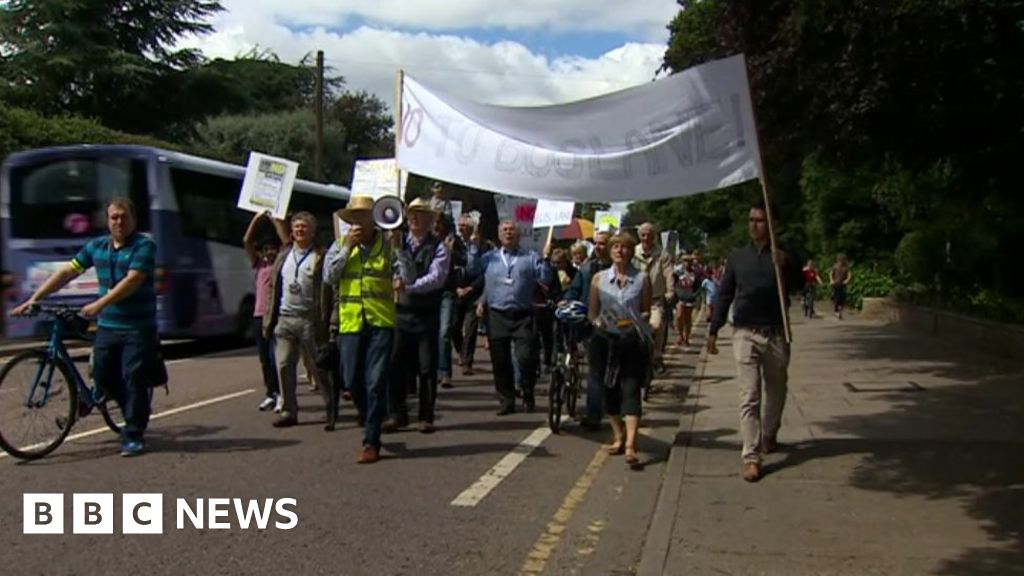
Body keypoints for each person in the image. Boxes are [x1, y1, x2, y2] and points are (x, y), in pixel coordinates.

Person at [13, 198, 159, 457]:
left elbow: (133, 280)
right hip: (109, 326)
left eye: (124, 217)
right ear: (107, 220)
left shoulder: (143, 246)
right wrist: (35, 298)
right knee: (102, 377)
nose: (119, 222)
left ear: (133, 219)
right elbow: (68, 272)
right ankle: (128, 408)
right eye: (114, 217)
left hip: (137, 327)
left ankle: (134, 434)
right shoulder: (97, 246)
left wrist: (99, 304)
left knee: (133, 377)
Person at [707, 202, 803, 482]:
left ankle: (770, 432)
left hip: (775, 331)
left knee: (777, 389)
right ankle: (751, 455)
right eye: (751, 220)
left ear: (771, 224)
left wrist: (787, 264)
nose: (754, 225)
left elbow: (801, 284)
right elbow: (724, 294)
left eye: (760, 220)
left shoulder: (784, 255)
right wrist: (714, 329)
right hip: (745, 332)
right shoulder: (738, 257)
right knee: (749, 395)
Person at [324, 195, 396, 464]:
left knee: (375, 383)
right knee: (352, 380)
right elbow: (329, 277)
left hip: (380, 323)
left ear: (373, 219)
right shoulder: (341, 245)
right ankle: (371, 416)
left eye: (363, 218)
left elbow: (408, 277)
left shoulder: (388, 246)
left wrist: (401, 252)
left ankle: (371, 440)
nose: (358, 223)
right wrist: (346, 250)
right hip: (351, 323)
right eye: (354, 219)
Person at [468, 220, 553, 414]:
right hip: (497, 314)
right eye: (504, 230)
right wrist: (473, 246)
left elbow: (545, 278)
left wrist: (546, 260)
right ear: (499, 235)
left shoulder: (530, 257)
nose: (508, 233)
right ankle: (506, 400)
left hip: (523, 314)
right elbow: (472, 269)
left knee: (525, 358)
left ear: (519, 235)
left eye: (511, 230)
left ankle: (527, 389)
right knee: (500, 360)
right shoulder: (490, 258)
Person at [385, 197, 450, 434]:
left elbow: (437, 278)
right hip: (400, 313)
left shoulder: (439, 247)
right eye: (410, 214)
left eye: (419, 214)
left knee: (426, 367)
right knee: (395, 365)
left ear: (429, 220)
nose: (413, 218)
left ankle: (426, 416)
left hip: (425, 314)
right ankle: (396, 414)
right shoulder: (396, 243)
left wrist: (409, 287)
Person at [262, 212, 332, 429]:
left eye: (304, 227)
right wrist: (269, 318)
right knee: (283, 365)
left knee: (318, 367)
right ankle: (289, 411)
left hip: (310, 320)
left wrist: (330, 320)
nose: (300, 230)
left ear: (312, 231)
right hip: (285, 318)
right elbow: (274, 286)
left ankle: (331, 406)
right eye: (296, 227)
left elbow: (330, 289)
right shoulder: (284, 255)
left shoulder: (321, 256)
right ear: (292, 231)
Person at [588, 232, 652, 467]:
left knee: (631, 388)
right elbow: (592, 312)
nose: (619, 251)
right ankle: (618, 435)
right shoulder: (598, 279)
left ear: (630, 251)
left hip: (631, 340)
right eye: (615, 247)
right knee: (609, 390)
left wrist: (642, 318)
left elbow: (646, 308)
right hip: (605, 341)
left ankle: (630, 445)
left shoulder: (642, 279)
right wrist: (597, 322)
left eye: (624, 247)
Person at [562, 230, 611, 430]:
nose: (598, 247)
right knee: (596, 370)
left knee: (613, 370)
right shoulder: (586, 269)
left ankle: (615, 408)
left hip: (616, 325)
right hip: (591, 324)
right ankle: (594, 415)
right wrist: (566, 300)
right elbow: (575, 289)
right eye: (596, 243)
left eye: (602, 243)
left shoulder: (619, 269)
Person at [243, 211, 290, 412]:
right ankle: (271, 393)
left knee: (275, 357)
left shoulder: (282, 263)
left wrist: (275, 219)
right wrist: (257, 218)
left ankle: (282, 395)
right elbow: (246, 240)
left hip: (276, 315)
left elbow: (287, 243)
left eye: (273, 249)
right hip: (258, 316)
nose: (270, 252)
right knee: (264, 358)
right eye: (267, 249)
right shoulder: (259, 265)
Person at [633, 223, 674, 373]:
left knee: (657, 326)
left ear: (654, 236)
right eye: (643, 235)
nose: (646, 238)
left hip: (655, 299)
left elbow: (668, 273)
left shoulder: (662, 254)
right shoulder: (633, 252)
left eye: (649, 235)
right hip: (635, 298)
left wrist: (670, 291)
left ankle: (657, 354)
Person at [451, 214, 488, 377]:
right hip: (456, 291)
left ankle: (467, 362)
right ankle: (461, 351)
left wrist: (471, 288)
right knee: (453, 327)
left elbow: (485, 272)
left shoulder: (483, 247)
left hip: (474, 293)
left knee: (471, 329)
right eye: (459, 225)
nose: (461, 228)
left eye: (464, 226)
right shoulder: (453, 243)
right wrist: (456, 287)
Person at [672, 256, 702, 348]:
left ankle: (686, 338)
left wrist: (695, 296)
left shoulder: (695, 274)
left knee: (687, 319)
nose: (686, 264)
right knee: (679, 317)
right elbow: (673, 283)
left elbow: (698, 287)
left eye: (688, 262)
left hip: (689, 299)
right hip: (680, 299)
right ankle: (680, 335)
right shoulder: (678, 273)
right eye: (685, 262)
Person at [829, 254, 852, 319]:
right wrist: (831, 280)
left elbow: (849, 274)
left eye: (842, 260)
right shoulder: (835, 266)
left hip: (842, 284)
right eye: (840, 260)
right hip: (836, 283)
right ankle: (836, 310)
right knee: (836, 297)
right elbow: (831, 273)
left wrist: (847, 280)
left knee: (843, 297)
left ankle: (839, 311)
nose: (841, 261)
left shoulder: (846, 267)